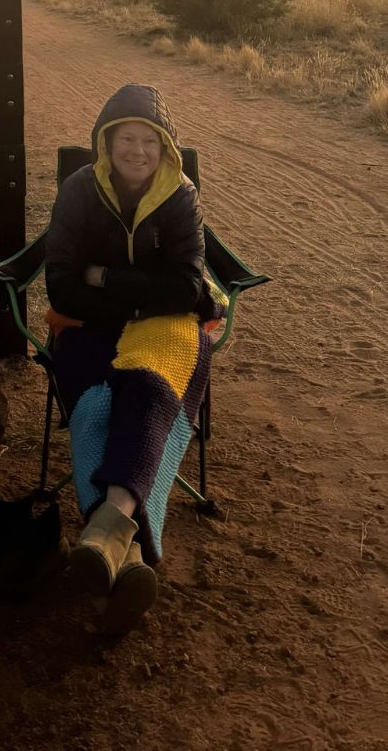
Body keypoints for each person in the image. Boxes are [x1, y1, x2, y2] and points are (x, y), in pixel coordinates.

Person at [44, 82, 227, 631]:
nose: (138, 151)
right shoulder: (78, 192)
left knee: (148, 391)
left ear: (165, 147)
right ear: (106, 142)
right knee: (96, 409)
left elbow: (186, 288)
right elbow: (61, 289)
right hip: (89, 326)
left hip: (165, 325)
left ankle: (105, 532)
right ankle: (128, 555)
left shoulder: (180, 196)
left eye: (150, 141)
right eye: (127, 138)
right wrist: (139, 297)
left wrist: (104, 278)